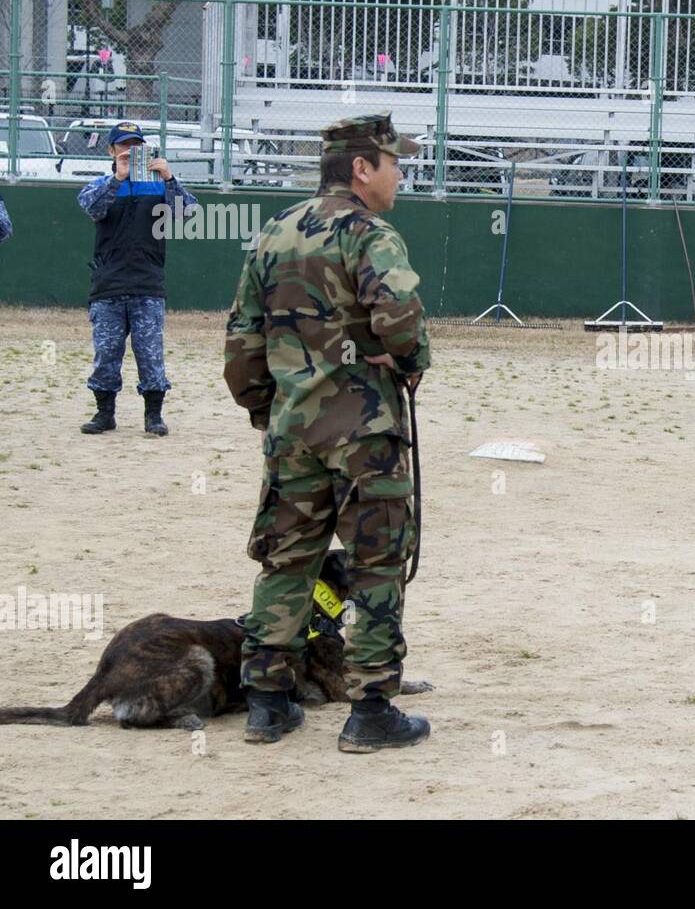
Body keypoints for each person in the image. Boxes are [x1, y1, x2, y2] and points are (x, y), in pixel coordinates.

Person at [224, 111, 431, 752]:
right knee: (376, 563)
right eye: (395, 163)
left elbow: (241, 345)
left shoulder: (274, 233)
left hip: (292, 432)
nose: (402, 175)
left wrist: (272, 410)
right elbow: (400, 319)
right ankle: (369, 712)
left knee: (286, 563)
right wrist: (408, 362)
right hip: (365, 430)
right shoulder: (372, 234)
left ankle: (268, 704)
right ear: (362, 168)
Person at [77, 121, 197, 436]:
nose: (129, 151)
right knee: (106, 353)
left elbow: (189, 214)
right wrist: (118, 177)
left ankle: (153, 415)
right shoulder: (102, 184)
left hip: (147, 283)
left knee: (150, 353)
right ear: (111, 151)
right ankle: (105, 413)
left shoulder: (158, 185)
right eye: (123, 146)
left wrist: (170, 179)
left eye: (135, 145)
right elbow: (91, 208)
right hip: (108, 284)